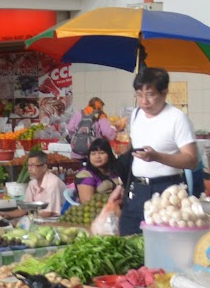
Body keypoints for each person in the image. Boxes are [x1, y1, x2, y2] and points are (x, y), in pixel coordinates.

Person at [120, 67, 199, 237]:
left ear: (164, 93)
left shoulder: (177, 118)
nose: (144, 101)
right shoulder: (136, 115)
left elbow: (192, 160)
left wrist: (157, 157)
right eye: (139, 94)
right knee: (128, 239)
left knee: (162, 242)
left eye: (150, 94)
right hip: (136, 188)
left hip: (168, 191)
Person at [75, 139, 124, 204]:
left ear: (109, 155)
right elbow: (87, 203)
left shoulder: (115, 170)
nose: (97, 157)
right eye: (93, 154)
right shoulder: (85, 174)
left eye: (101, 153)